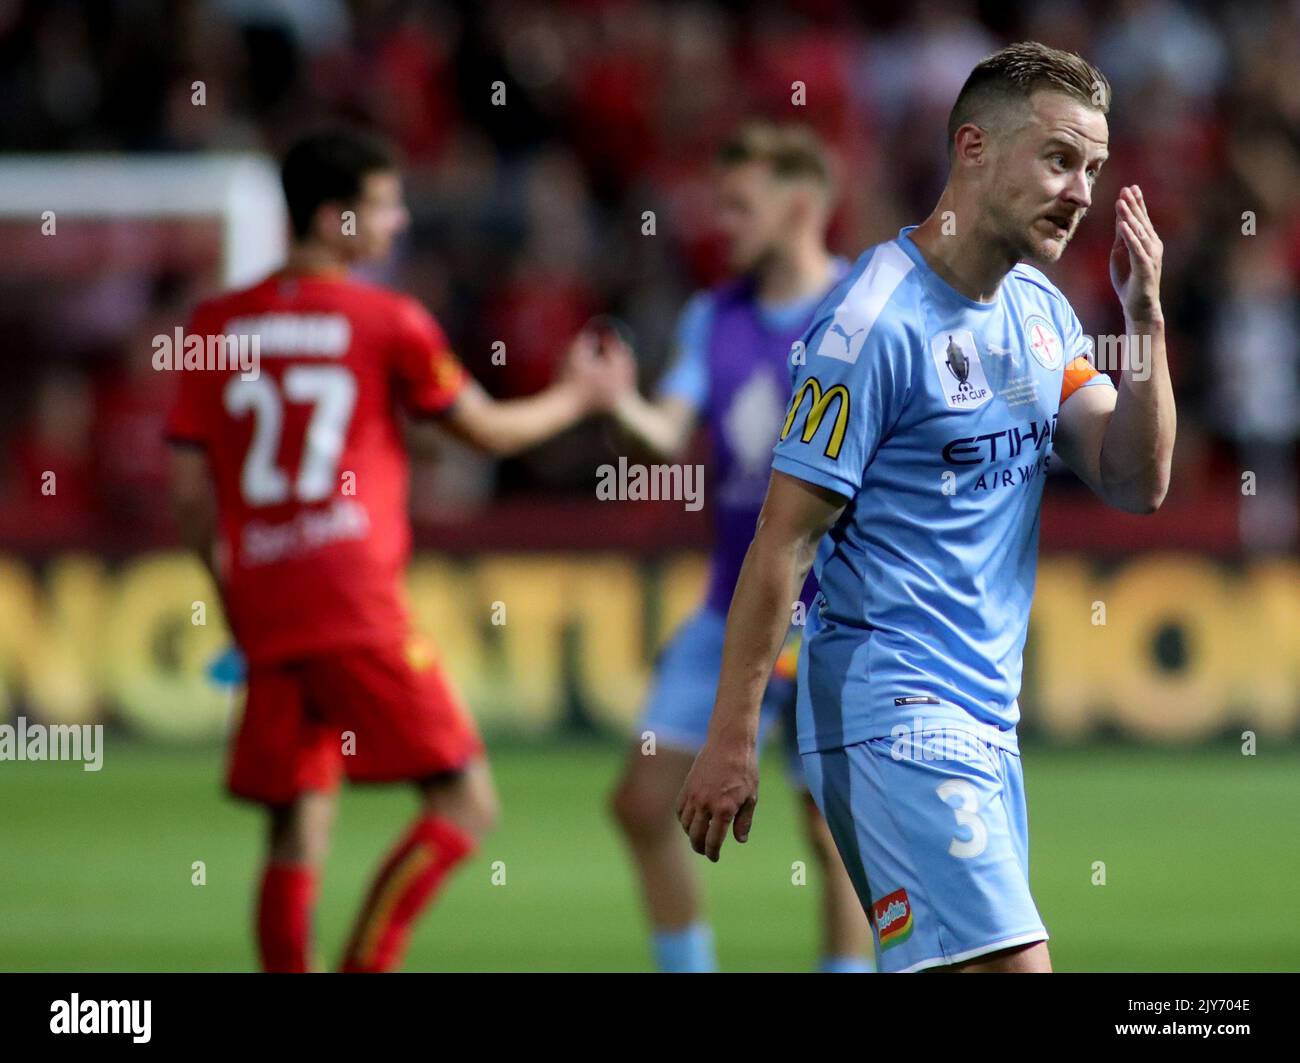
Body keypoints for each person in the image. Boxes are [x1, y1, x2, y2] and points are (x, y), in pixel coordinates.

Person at [676, 42, 1176, 973]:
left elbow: (1133, 477)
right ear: (974, 147)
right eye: (1060, 159)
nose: (1081, 191)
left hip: (987, 718)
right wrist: (731, 739)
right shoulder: (869, 327)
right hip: (890, 708)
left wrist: (1143, 326)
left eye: (1095, 170)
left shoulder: (1040, 310)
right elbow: (782, 540)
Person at [166, 128, 629, 972]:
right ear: (335, 218)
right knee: (465, 803)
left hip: (266, 599)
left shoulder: (212, 326)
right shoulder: (387, 319)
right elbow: (484, 431)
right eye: (384, 204)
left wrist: (234, 598)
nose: (400, 218)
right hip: (353, 599)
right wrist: (577, 396)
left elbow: (193, 497)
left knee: (296, 819)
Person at [608, 122, 872, 973]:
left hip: (829, 612)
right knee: (644, 801)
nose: (722, 222)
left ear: (801, 205)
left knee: (829, 830)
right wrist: (615, 402)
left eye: (740, 205)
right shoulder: (709, 314)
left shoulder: (861, 308)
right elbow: (666, 429)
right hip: (728, 607)